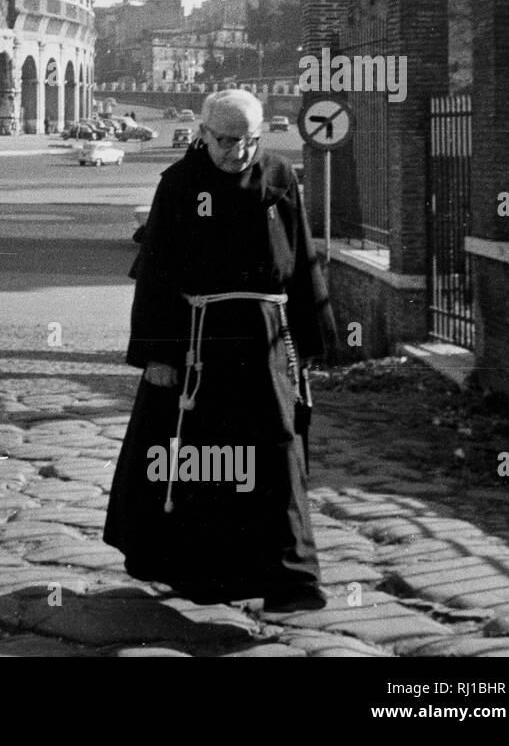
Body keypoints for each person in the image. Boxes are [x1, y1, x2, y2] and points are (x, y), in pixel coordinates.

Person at [103, 89, 335, 613]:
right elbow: (156, 274)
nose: (238, 152)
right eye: (227, 141)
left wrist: (313, 339)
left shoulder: (279, 176)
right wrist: (157, 355)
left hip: (268, 343)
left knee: (277, 451)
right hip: (197, 344)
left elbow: (301, 258)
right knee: (199, 460)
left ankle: (291, 580)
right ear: (203, 135)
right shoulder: (180, 186)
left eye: (249, 140)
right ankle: (200, 574)